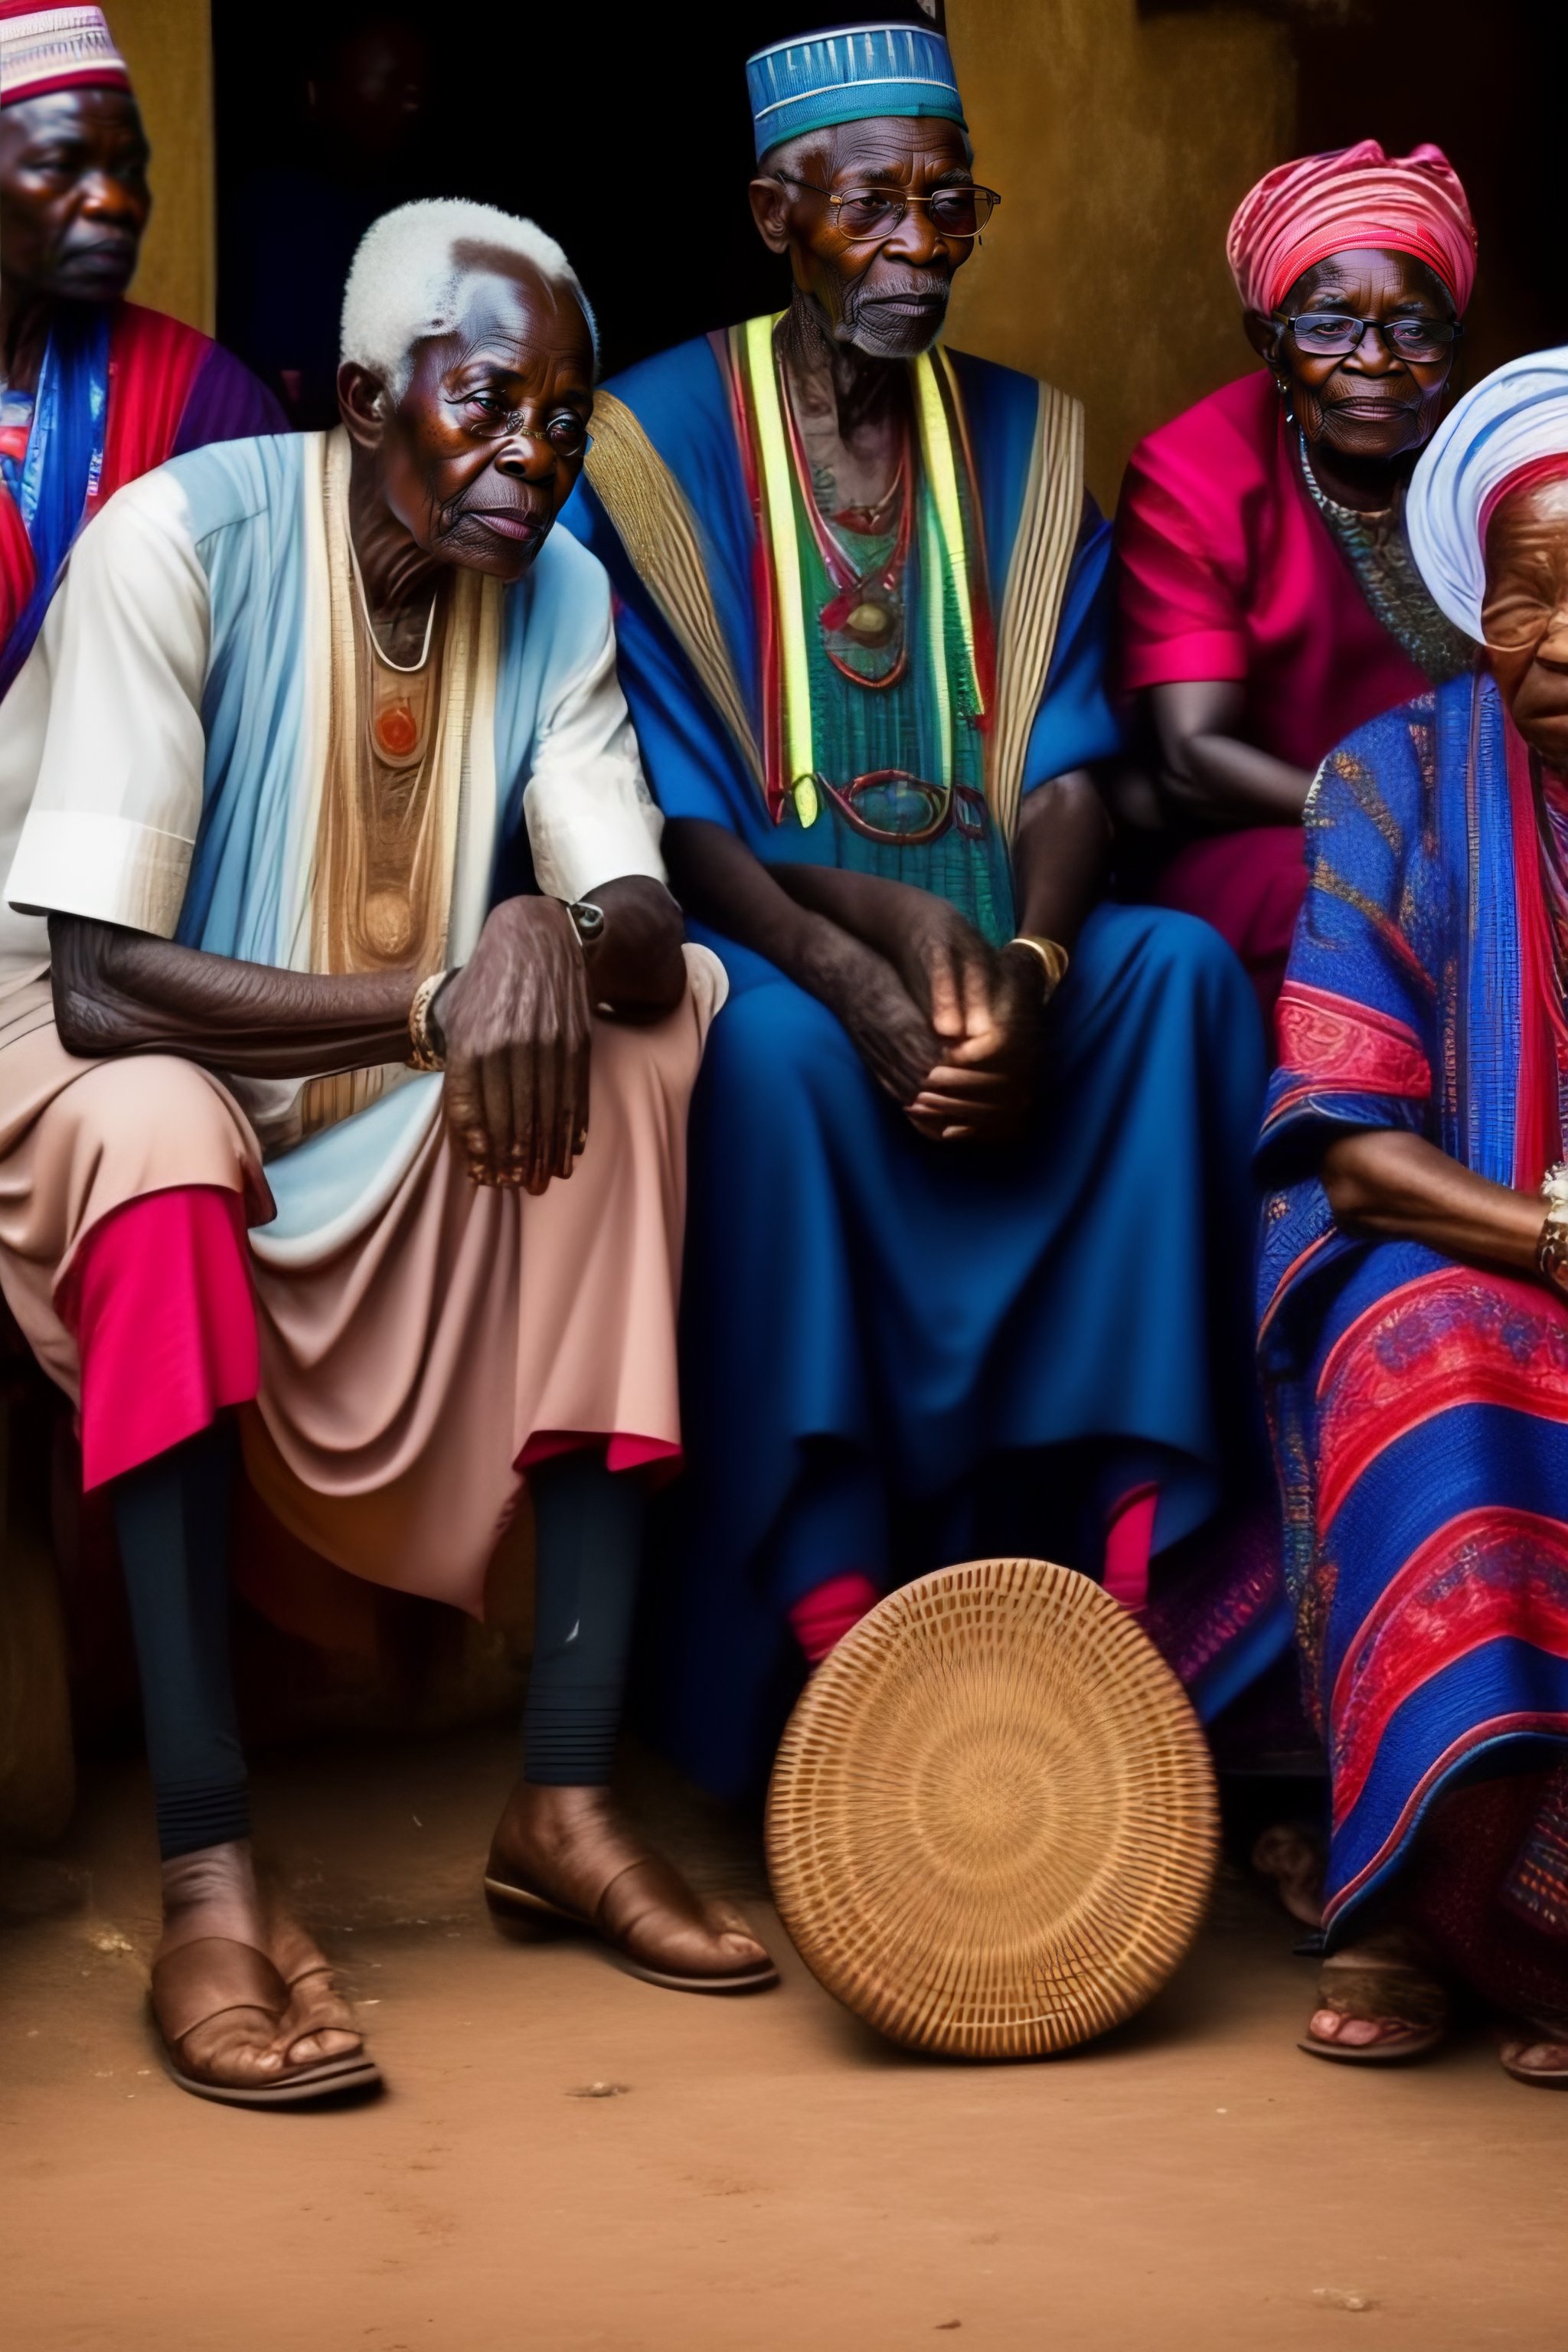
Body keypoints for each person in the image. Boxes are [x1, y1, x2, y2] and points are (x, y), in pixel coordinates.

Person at [0, 198, 778, 2109]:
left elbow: (638, 921)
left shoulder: (558, 589)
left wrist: (537, 934)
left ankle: (570, 1794)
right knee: (166, 1140)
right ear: (363, 398)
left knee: (652, 1034)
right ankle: (206, 1874)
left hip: (377, 1064)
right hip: (105, 1055)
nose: (533, 451)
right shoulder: (174, 544)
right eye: (487, 402)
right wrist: (446, 993)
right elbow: (99, 983)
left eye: (567, 419)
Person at [563, 11, 1274, 1800]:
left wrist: (1029, 962)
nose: (911, 248)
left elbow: (1071, 772)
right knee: (779, 1058)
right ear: (769, 210)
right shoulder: (649, 441)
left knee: (1176, 972)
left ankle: (1121, 1612)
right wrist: (853, 961)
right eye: (866, 209)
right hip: (777, 942)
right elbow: (663, 811)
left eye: (943, 209)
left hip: (991, 940)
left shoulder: (1028, 439)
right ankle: (834, 1637)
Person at [1257, 348, 1568, 2084]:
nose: (1557, 636)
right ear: (1468, 597)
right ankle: (1403, 1902)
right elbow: (1346, 1145)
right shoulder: (1387, 778)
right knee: (1415, 1346)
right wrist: (1542, 1235)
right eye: (1521, 592)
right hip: (1450, 1233)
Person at [1117, 142, 1478, 1030]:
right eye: (1325, 326)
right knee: (1378, 910)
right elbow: (1191, 759)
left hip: (1471, 831)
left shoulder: (1482, 469)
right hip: (1268, 842)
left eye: (1413, 329)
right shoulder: (1195, 472)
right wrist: (1388, 814)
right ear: (1268, 345)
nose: (1373, 361)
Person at [0, 2, 286, 694]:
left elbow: (281, 645)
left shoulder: (205, 396)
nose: (114, 202)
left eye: (126, 166)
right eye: (62, 163)